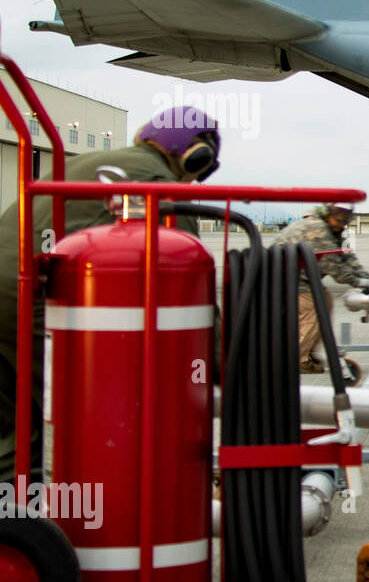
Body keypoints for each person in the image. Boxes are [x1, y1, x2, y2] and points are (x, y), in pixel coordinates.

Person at [0, 107, 220, 484]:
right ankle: (81, 523)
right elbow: (190, 290)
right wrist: (222, 364)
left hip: (10, 289)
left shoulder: (88, 161)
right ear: (194, 155)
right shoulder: (157, 186)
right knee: (85, 415)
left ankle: (18, 529)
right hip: (28, 305)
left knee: (11, 431)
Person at [274, 204, 369, 373]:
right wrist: (358, 282)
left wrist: (366, 279)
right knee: (314, 310)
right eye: (340, 218)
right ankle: (297, 360)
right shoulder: (317, 228)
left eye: (346, 219)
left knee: (325, 302)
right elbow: (332, 265)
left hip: (304, 278)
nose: (342, 223)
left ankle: (308, 351)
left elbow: (348, 257)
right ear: (328, 213)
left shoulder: (333, 229)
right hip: (289, 278)